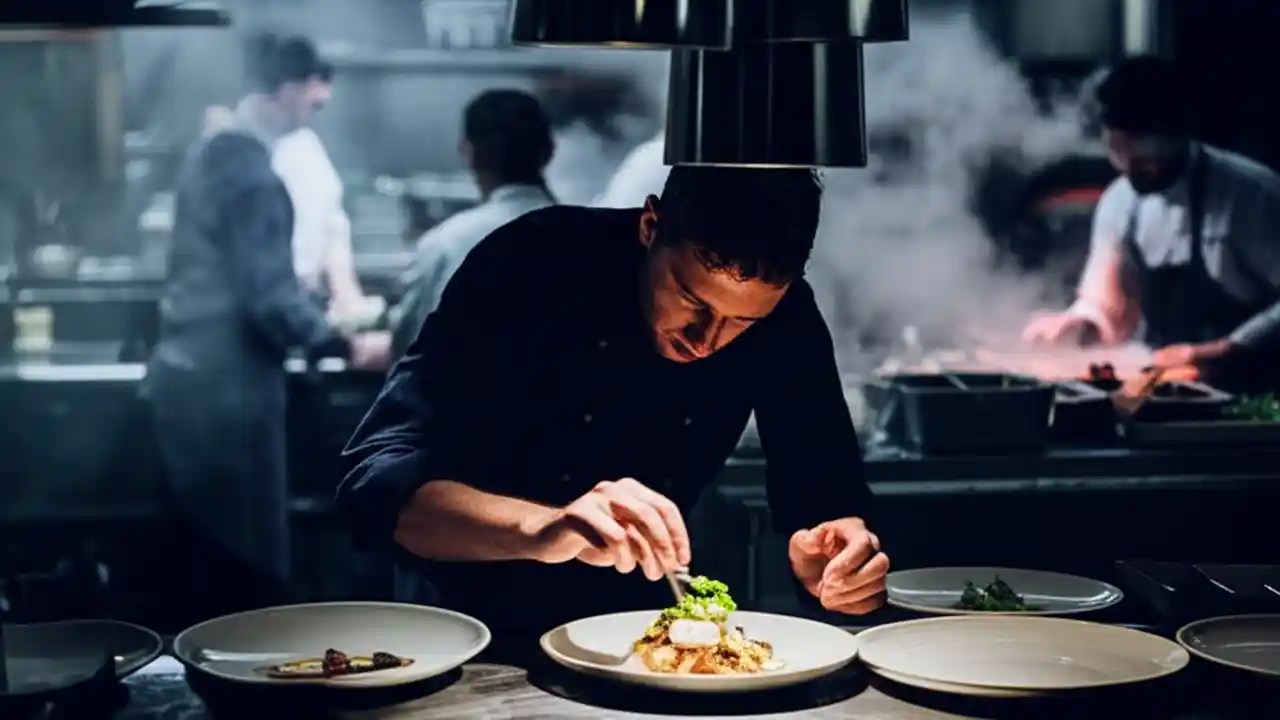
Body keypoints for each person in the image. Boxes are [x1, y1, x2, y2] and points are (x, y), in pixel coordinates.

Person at [339, 166, 888, 643]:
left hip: (637, 638)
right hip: (464, 626)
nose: (705, 340)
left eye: (742, 324)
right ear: (651, 227)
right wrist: (545, 528)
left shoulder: (788, 316)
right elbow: (374, 484)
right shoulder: (532, 262)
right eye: (691, 300)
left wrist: (835, 561)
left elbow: (823, 491)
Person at [145, 34, 390, 622]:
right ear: (285, 90)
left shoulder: (216, 151)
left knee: (204, 564)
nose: (315, 115)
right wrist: (345, 343)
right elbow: (270, 298)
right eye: (313, 102)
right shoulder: (249, 171)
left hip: (192, 379)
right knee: (241, 571)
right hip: (227, 391)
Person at [1023, 56, 1280, 391]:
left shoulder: (1251, 195)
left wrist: (1235, 347)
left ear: (1178, 132)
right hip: (1165, 392)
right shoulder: (1119, 202)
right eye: (1121, 156)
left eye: (1145, 159)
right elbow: (1108, 305)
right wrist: (1081, 323)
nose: (1132, 172)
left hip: (1256, 395)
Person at [391, 89, 557, 356]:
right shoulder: (597, 245)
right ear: (550, 152)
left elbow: (407, 352)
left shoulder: (445, 245)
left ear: (468, 152)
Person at [270, 61, 368, 316]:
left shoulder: (306, 146)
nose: (320, 104)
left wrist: (348, 299)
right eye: (314, 100)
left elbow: (332, 227)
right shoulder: (245, 145)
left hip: (299, 302)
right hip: (258, 308)